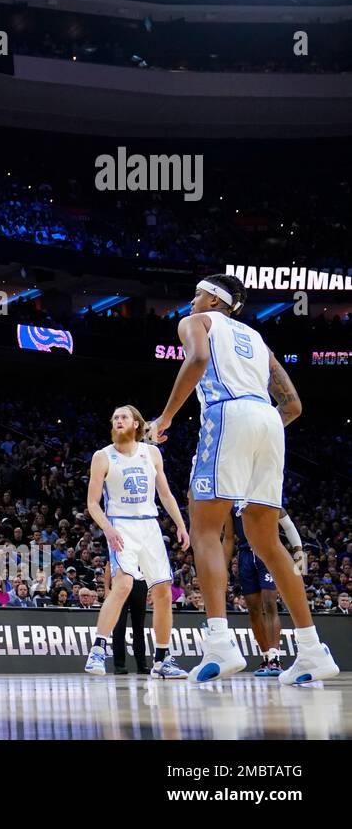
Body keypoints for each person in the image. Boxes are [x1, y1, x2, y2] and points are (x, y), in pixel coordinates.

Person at [146, 275, 339, 685]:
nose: (192, 300)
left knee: (205, 529)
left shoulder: (197, 322)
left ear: (213, 298)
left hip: (228, 410)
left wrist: (165, 418)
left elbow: (196, 361)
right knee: (266, 541)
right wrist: (259, 430)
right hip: (270, 421)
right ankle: (311, 650)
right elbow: (294, 404)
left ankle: (219, 643)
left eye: (198, 294)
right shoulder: (255, 337)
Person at [83, 405, 190, 679]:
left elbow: (165, 494)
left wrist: (180, 523)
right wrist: (107, 528)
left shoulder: (151, 453)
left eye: (124, 417)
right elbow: (92, 503)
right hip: (120, 524)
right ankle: (97, 651)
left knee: (164, 590)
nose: (118, 420)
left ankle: (162, 659)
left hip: (149, 525)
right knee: (123, 585)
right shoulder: (102, 456)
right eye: (115, 417)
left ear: (136, 424)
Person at [223, 500, 304, 677]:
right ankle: (266, 656)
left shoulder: (266, 494)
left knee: (269, 604)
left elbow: (288, 525)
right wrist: (223, 568)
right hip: (244, 556)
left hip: (266, 553)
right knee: (253, 610)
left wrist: (299, 553)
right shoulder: (231, 502)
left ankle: (275, 658)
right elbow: (229, 537)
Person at [106, 561, 148, 675]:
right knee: (119, 626)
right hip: (120, 582)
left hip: (140, 583)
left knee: (139, 627)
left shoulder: (142, 544)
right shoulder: (116, 543)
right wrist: (106, 588)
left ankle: (142, 665)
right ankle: (119, 665)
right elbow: (109, 564)